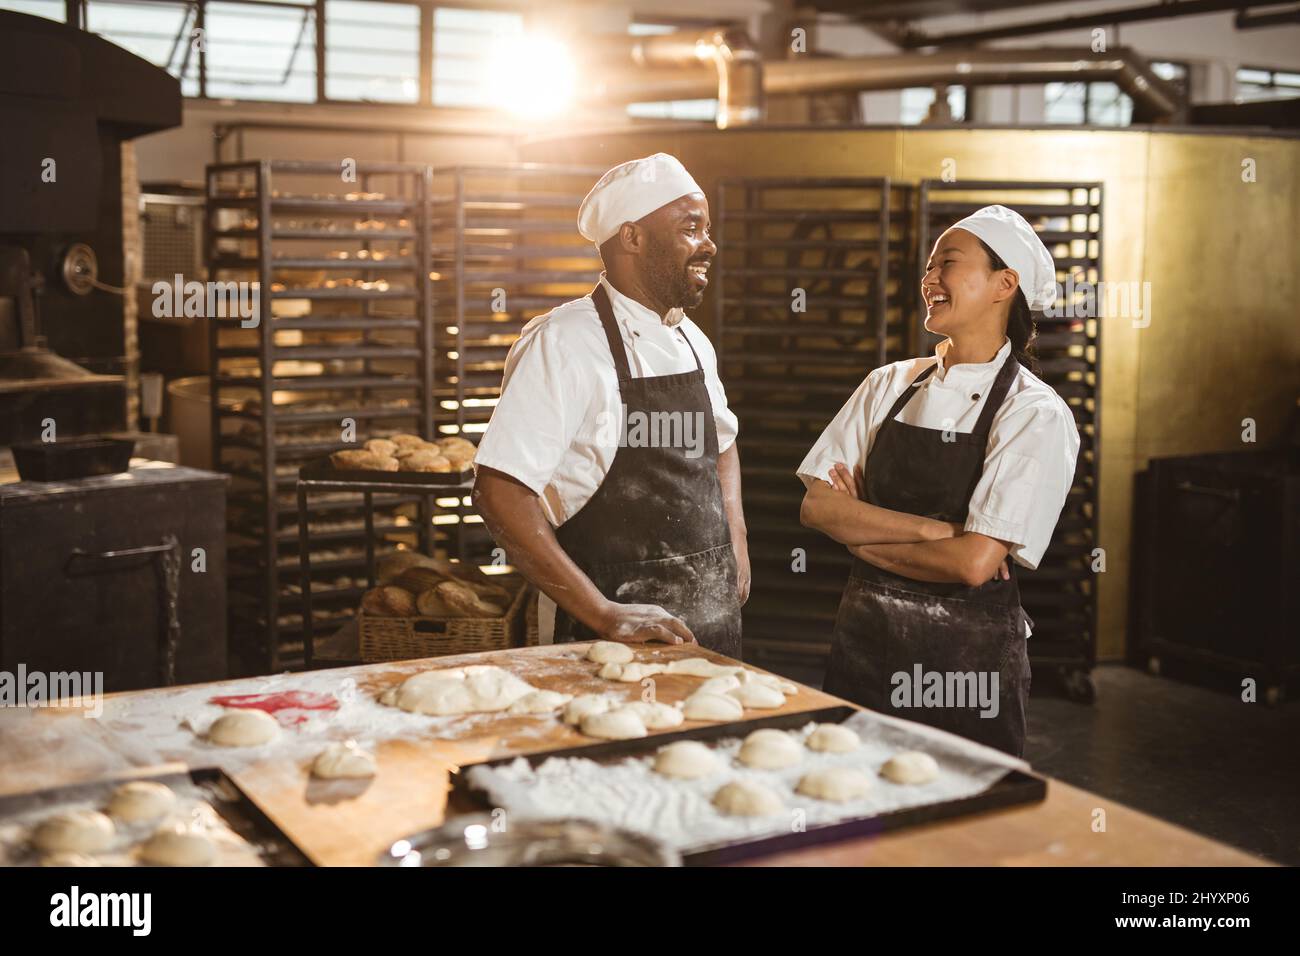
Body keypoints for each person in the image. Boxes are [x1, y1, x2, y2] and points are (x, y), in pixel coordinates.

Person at [798, 204, 1080, 756]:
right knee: (851, 810)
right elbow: (817, 508)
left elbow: (973, 564)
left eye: (946, 263)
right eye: (928, 267)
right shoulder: (888, 384)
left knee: (957, 829)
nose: (928, 279)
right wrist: (936, 533)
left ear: (1004, 284)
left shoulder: (1032, 413)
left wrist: (859, 535)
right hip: (864, 650)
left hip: (966, 675)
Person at [473, 153, 749, 654]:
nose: (709, 245)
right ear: (632, 238)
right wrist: (602, 613)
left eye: (707, 228)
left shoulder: (691, 339)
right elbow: (500, 493)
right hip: (600, 634)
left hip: (710, 620)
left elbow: (722, 446)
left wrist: (736, 542)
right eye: (691, 228)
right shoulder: (564, 342)